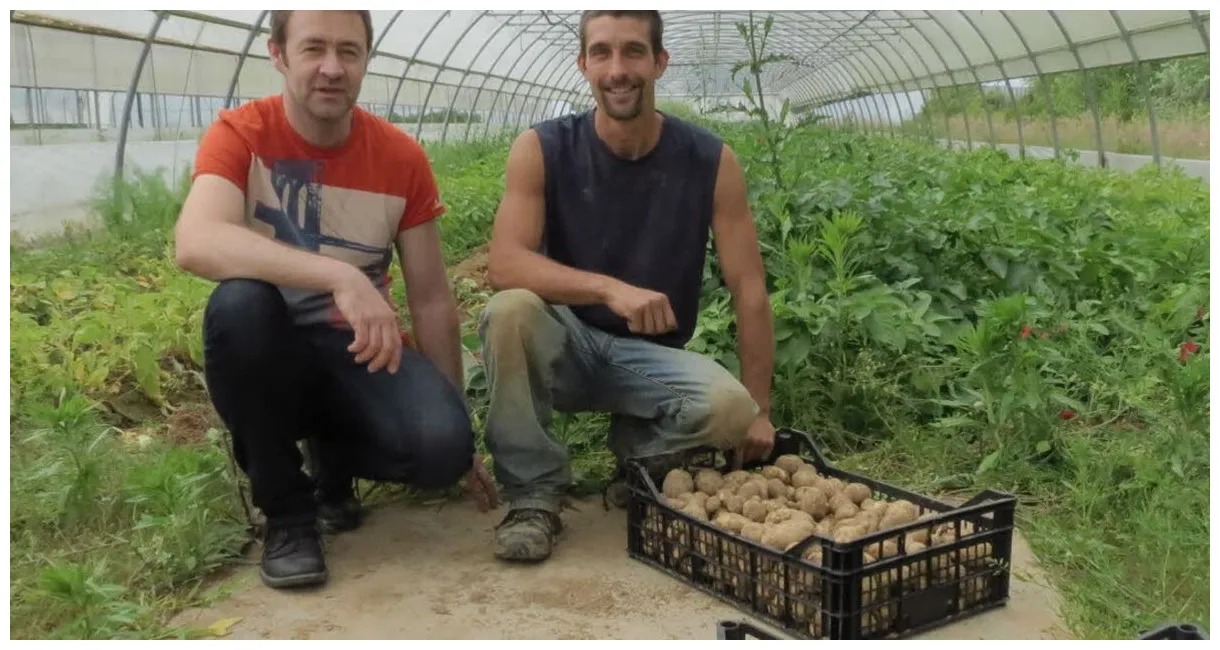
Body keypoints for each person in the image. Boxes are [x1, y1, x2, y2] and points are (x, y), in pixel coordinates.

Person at [173, 10, 498, 589]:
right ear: (279, 55)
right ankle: (289, 515)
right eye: (313, 49)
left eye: (349, 52)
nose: (331, 68)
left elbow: (429, 297)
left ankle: (334, 461)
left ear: (366, 61)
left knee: (441, 449)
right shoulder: (243, 134)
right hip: (270, 348)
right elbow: (196, 241)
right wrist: (339, 277)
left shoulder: (400, 158)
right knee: (239, 306)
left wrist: (456, 424)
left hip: (358, 352)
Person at [480, 10, 777, 563]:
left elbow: (750, 288)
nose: (618, 69)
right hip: (565, 343)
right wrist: (608, 289)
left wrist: (761, 408)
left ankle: (638, 456)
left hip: (648, 358)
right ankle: (534, 495)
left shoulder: (710, 161)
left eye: (634, 52)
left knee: (731, 409)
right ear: (583, 64)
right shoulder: (543, 148)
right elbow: (505, 262)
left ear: (660, 62)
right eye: (602, 52)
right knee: (510, 310)